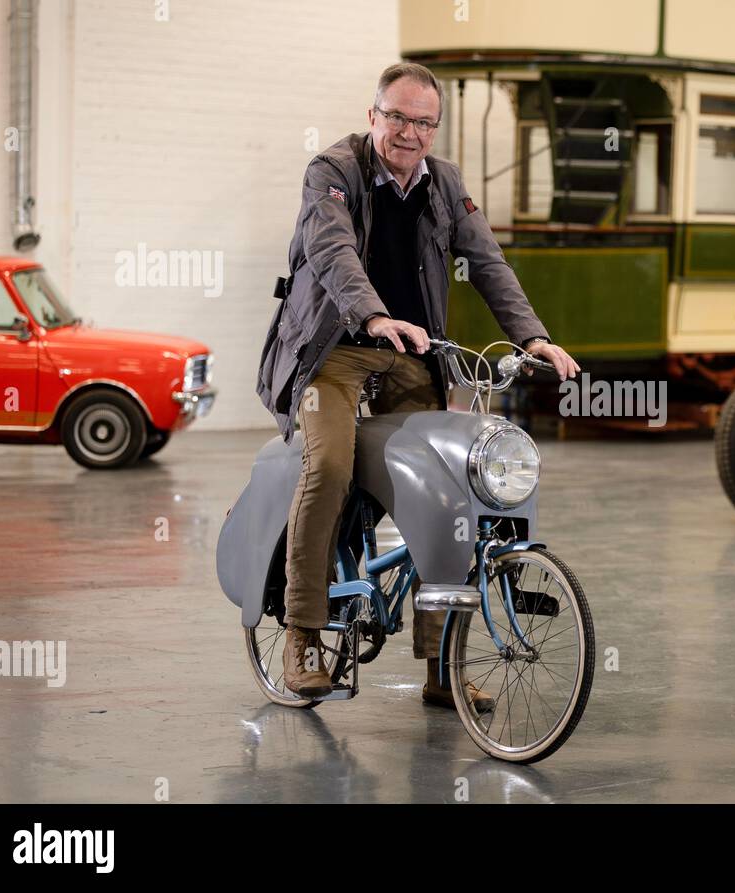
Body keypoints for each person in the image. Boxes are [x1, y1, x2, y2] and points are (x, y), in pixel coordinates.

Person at [256, 62, 579, 707]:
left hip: (412, 353)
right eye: (397, 117)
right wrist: (374, 316)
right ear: (373, 115)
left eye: (423, 122)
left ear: (436, 128)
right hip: (333, 352)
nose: (409, 133)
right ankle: (302, 632)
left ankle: (443, 664)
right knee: (330, 467)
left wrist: (533, 336)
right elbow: (332, 253)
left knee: (453, 487)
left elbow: (487, 261)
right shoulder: (332, 171)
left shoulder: (445, 183)